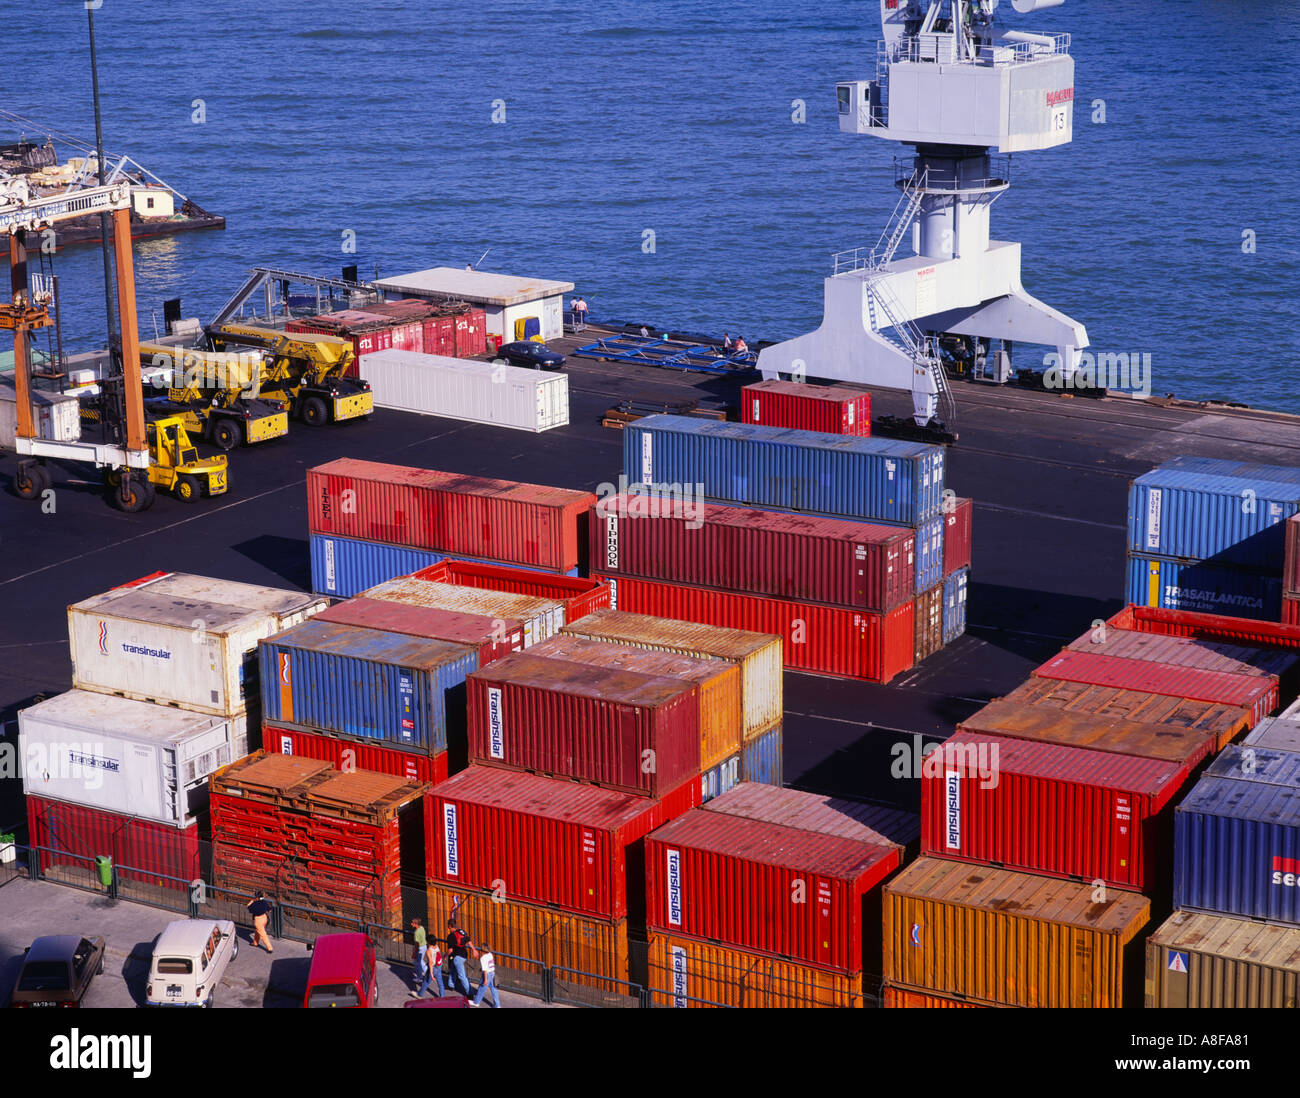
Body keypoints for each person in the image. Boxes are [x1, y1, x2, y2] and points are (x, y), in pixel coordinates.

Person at [444, 917, 474, 998]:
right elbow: (468, 940)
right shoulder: (462, 931)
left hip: (457, 957)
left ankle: (470, 993)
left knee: (461, 975)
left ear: (450, 926)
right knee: (453, 968)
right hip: (464, 954)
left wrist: (445, 955)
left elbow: (450, 950)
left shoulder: (450, 936)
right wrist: (474, 950)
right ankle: (451, 984)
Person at [471, 942, 500, 1008]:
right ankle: (497, 1005)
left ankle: (476, 1002)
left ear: (482, 950)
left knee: (481, 988)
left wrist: (485, 980)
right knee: (494, 990)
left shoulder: (483, 958)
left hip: (487, 975)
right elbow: (489, 965)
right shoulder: (490, 954)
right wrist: (482, 968)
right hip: (492, 973)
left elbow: (485, 970)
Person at [410, 917, 427, 991]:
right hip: (424, 946)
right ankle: (427, 972)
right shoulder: (422, 928)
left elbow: (416, 944)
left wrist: (414, 953)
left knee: (417, 963)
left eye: (412, 923)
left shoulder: (416, 932)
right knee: (421, 961)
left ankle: (419, 977)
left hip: (420, 948)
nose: (411, 924)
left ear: (416, 924)